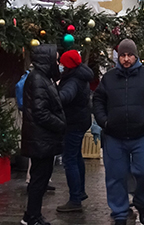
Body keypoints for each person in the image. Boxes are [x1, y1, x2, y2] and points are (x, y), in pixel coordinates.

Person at [93, 39, 144, 225]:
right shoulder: (109, 78)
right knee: (115, 176)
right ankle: (119, 214)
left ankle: (141, 202)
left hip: (142, 135)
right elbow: (98, 101)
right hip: (114, 136)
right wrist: (104, 121)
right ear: (118, 57)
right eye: (123, 55)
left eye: (129, 55)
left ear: (136, 56)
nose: (126, 59)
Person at [21, 44, 66, 225]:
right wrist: (60, 124)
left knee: (41, 177)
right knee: (39, 179)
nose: (58, 63)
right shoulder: (38, 79)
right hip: (41, 138)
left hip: (43, 139)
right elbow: (40, 112)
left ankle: (33, 214)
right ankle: (32, 216)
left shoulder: (43, 78)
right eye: (55, 59)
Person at [57, 49, 95, 213]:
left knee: (69, 159)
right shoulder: (82, 75)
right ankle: (80, 191)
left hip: (73, 123)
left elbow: (65, 96)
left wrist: (54, 92)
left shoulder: (72, 80)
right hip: (81, 120)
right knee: (76, 156)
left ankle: (74, 199)